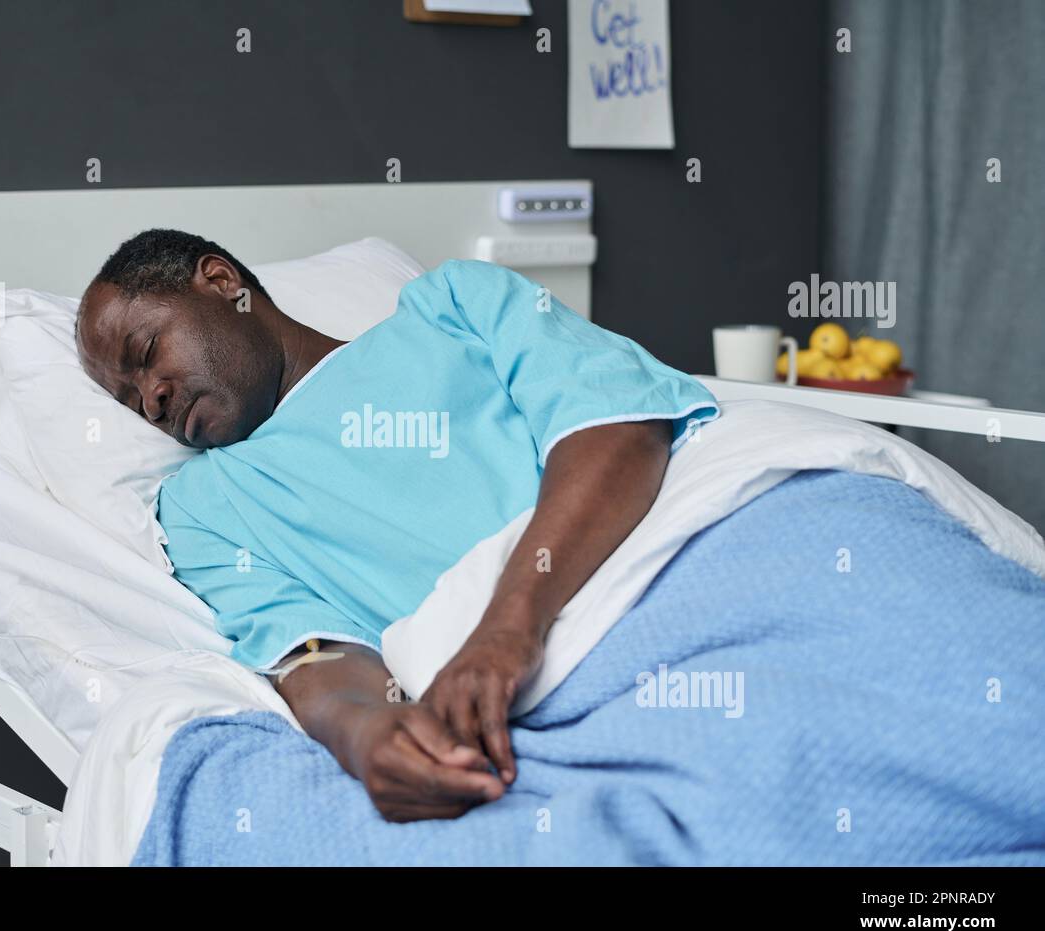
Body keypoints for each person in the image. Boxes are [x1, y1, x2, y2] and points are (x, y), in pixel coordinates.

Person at [76, 229, 719, 821]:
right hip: (537, 713)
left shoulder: (457, 305)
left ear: (219, 281)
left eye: (147, 352)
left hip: (678, 584)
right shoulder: (201, 511)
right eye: (129, 401)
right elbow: (315, 653)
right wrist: (365, 736)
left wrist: (507, 629)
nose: (151, 400)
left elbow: (618, 426)